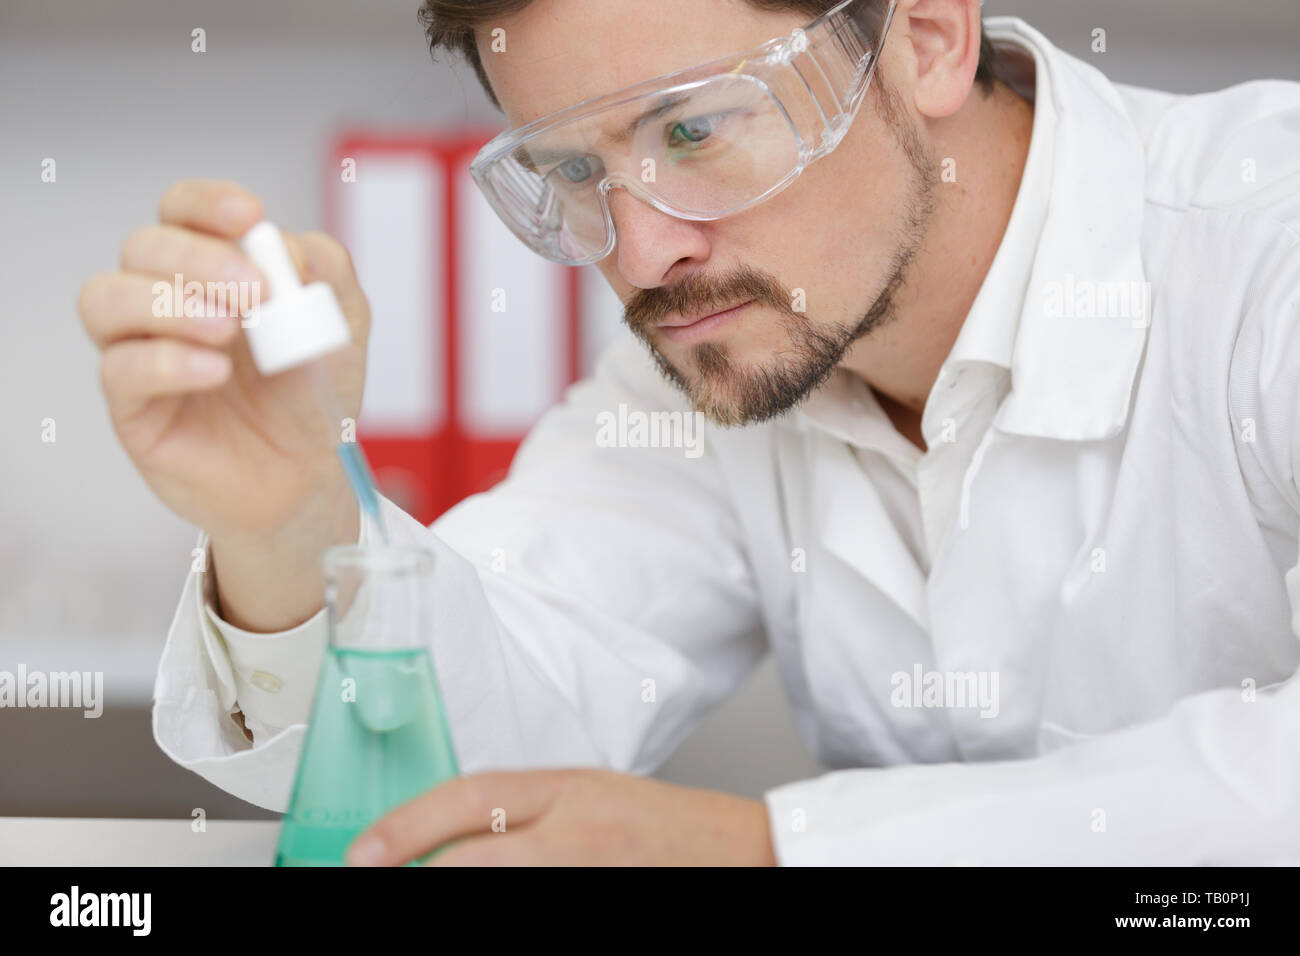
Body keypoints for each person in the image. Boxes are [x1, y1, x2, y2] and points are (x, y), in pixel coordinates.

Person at [78, 0, 1300, 865]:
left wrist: (771, 848)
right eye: (570, 171)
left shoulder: (1265, 248)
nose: (644, 251)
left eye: (695, 131)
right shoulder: (717, 364)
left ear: (924, 38)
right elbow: (470, 751)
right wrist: (295, 523)